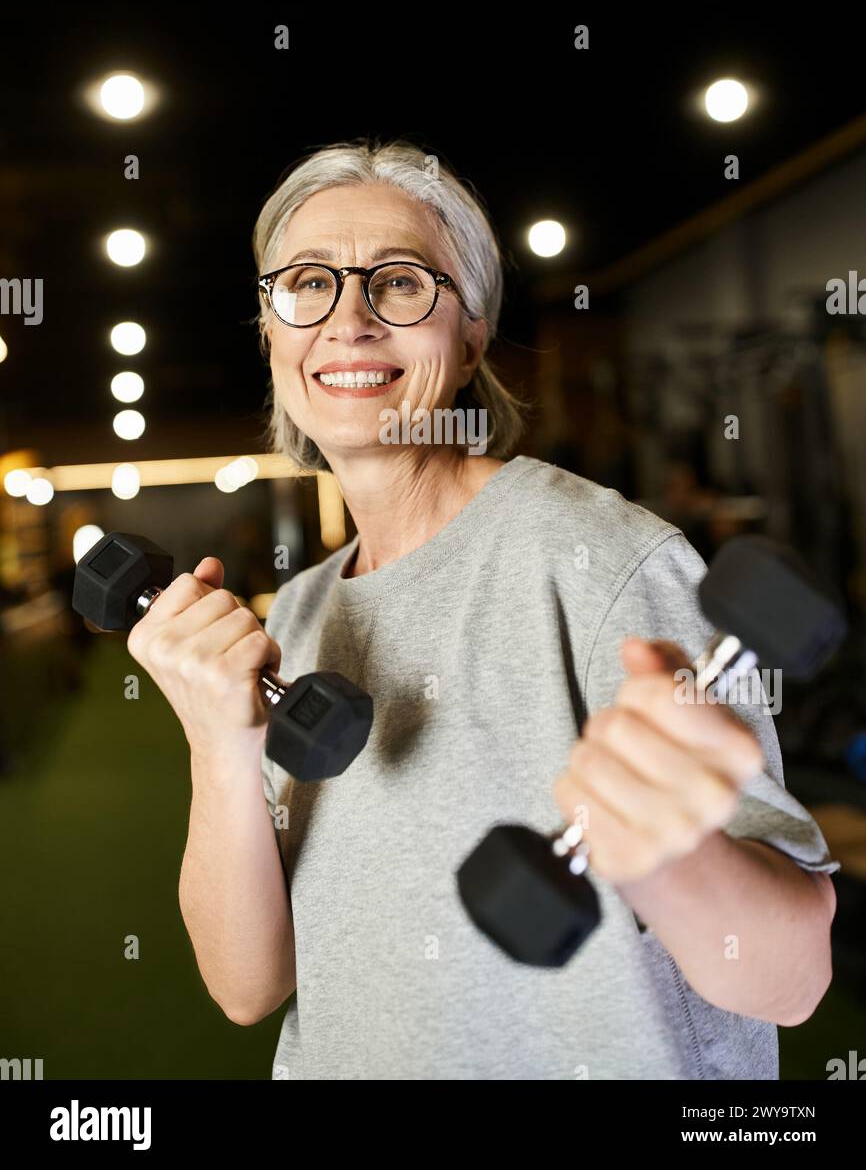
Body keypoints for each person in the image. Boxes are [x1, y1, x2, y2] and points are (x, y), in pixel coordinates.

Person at [127, 138, 838, 1081]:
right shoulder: (293, 615)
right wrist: (217, 745)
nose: (349, 321)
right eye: (307, 284)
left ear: (470, 336)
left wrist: (668, 861)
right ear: (271, 330)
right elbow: (246, 987)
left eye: (402, 283)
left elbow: (790, 982)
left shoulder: (606, 566)